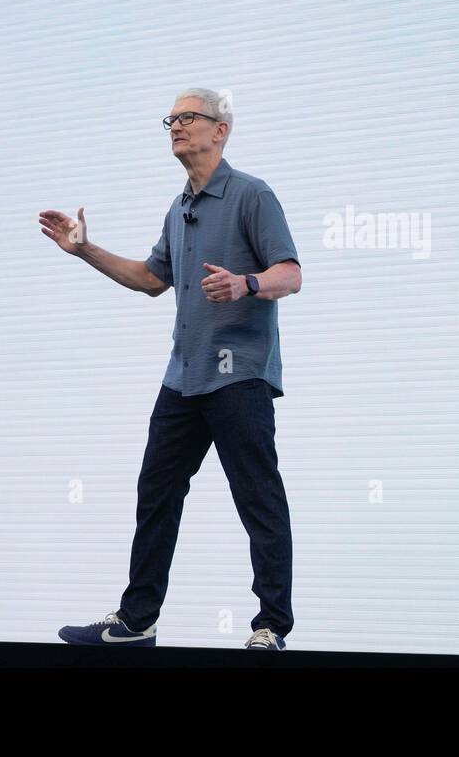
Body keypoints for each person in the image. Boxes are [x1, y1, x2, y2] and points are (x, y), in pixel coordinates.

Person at [40, 87, 301, 650]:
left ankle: (271, 626)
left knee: (257, 496)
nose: (176, 127)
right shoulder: (178, 207)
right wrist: (84, 249)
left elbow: (291, 274)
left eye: (188, 118)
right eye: (171, 119)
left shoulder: (253, 195)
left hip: (239, 375)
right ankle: (137, 622)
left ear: (219, 130)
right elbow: (151, 279)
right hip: (183, 378)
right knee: (156, 493)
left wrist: (245, 283)